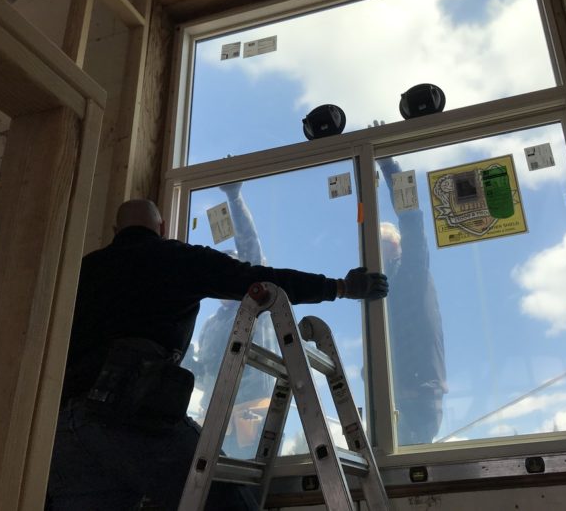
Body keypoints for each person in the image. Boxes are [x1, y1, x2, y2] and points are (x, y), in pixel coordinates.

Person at [47, 199, 387, 511]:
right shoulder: (176, 258)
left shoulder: (82, 271)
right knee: (229, 503)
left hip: (66, 429)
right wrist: (339, 287)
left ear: (115, 231)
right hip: (133, 413)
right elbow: (261, 280)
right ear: (163, 227)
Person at [191, 181, 277, 459]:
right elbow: (204, 375)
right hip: (215, 422)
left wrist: (234, 197)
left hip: (250, 421)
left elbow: (250, 248)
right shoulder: (209, 325)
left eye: (233, 271)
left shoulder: (256, 308)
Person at [377, 156, 447, 445]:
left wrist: (390, 170)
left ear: (398, 246)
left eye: (384, 244)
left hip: (418, 395)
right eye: (373, 246)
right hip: (390, 394)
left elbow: (412, 219)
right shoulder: (379, 287)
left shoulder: (412, 271)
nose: (378, 252)